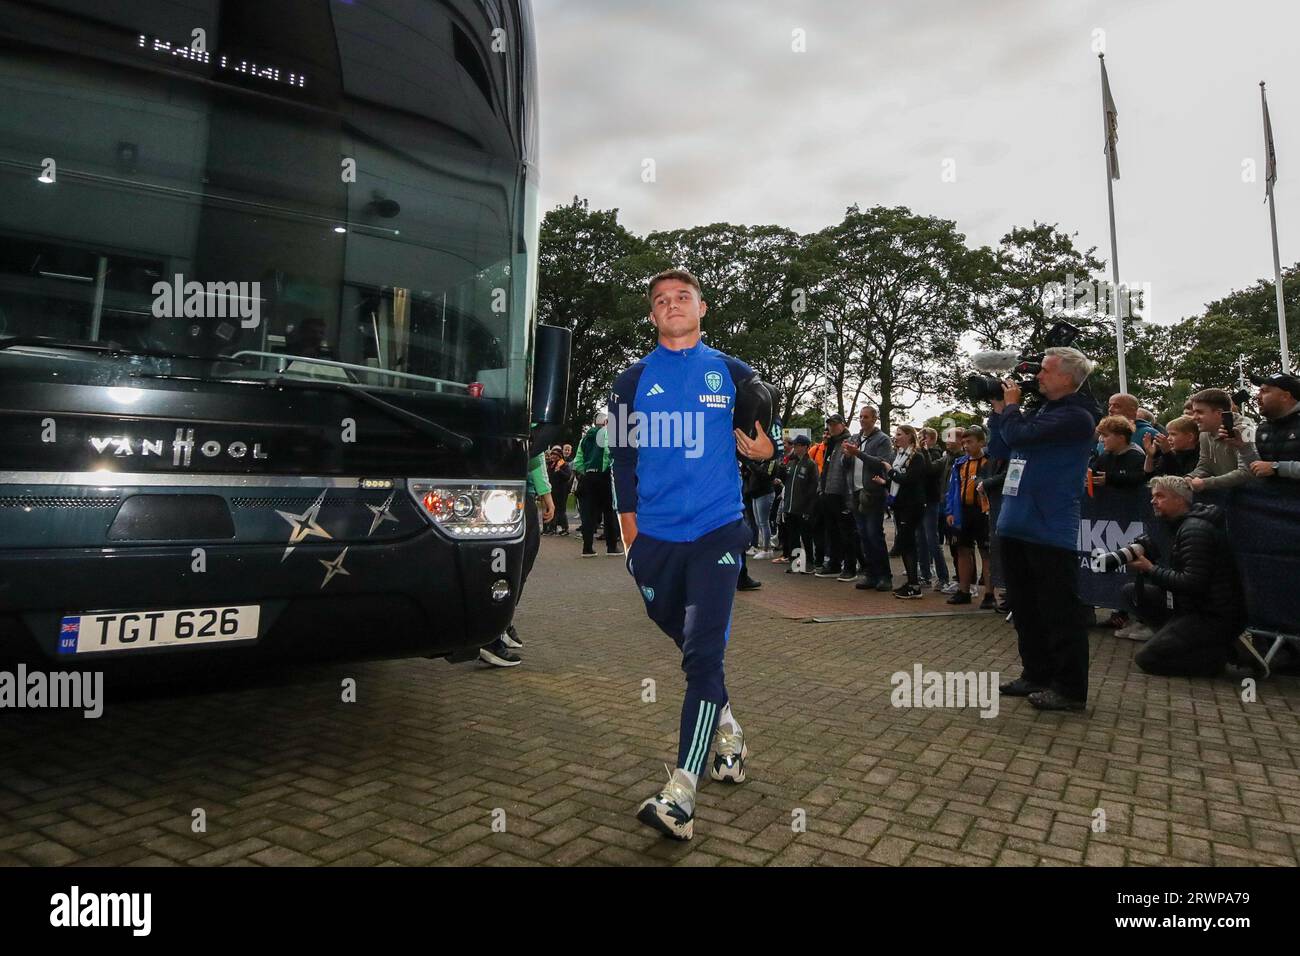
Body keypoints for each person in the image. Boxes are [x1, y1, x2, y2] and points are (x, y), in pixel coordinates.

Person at [609, 268, 775, 841]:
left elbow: (761, 435)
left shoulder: (733, 373)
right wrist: (630, 534)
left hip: (717, 533)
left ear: (702, 307)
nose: (673, 305)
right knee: (678, 632)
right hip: (653, 539)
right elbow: (623, 463)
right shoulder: (629, 382)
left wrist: (766, 448)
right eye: (661, 300)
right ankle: (727, 728)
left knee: (701, 654)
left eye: (683, 297)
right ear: (652, 316)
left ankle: (681, 791)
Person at [987, 347, 1102, 712]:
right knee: (1025, 608)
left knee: (1059, 611)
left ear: (1067, 378)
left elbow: (1019, 435)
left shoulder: (1078, 416)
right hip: (1016, 522)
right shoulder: (1044, 411)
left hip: (1049, 527)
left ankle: (1069, 688)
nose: (1037, 376)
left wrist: (1010, 408)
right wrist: (998, 412)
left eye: (1046, 371)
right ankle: (1035, 673)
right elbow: (1002, 445)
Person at [1120, 477, 1245, 674]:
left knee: (1147, 659)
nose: (1153, 501)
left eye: (1160, 496)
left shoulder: (1194, 530)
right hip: (1193, 605)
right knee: (1133, 591)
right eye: (1153, 497)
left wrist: (1150, 569)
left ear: (1180, 500)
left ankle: (1217, 656)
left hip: (1213, 615)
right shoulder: (1180, 525)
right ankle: (1179, 639)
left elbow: (1192, 582)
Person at [479, 452, 555, 667]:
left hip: (494, 492)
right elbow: (534, 456)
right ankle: (492, 635)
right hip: (516, 494)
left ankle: (501, 626)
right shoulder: (528, 421)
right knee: (516, 568)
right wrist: (546, 493)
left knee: (503, 566)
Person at [843, 406, 894, 591]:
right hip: (856, 491)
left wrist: (859, 454)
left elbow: (883, 463)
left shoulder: (883, 440)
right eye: (860, 417)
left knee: (874, 534)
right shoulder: (855, 438)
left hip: (872, 493)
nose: (862, 420)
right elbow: (846, 465)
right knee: (863, 535)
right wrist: (847, 456)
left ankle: (884, 575)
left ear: (874, 419)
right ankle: (871, 573)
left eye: (866, 417)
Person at [943, 426, 993, 607]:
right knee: (963, 550)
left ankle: (989, 594)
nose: (965, 446)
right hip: (962, 511)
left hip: (983, 512)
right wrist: (950, 512)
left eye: (969, 442)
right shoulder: (960, 463)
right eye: (963, 442)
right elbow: (952, 490)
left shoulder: (990, 462)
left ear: (981, 442)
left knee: (986, 552)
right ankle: (963, 591)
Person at [878, 425, 929, 599]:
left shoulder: (917, 457)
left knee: (908, 543)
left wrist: (890, 471)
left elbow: (908, 480)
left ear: (909, 436)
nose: (896, 437)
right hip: (901, 505)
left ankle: (914, 585)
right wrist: (884, 482)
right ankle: (911, 582)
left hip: (911, 506)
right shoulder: (899, 456)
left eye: (899, 435)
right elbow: (897, 484)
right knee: (906, 543)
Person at [813, 413, 859, 581]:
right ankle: (834, 563)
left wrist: (847, 456)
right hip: (828, 492)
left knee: (846, 532)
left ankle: (850, 567)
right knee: (832, 532)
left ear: (843, 424)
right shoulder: (831, 443)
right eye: (830, 425)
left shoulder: (849, 441)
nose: (832, 428)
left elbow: (849, 464)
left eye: (835, 424)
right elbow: (825, 468)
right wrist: (821, 488)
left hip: (841, 493)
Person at [573, 411, 623, 556]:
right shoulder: (607, 434)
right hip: (603, 476)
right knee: (609, 511)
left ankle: (587, 548)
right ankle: (611, 546)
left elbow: (577, 462)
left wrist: (587, 471)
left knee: (588, 513)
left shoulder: (585, 438)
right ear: (606, 423)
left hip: (588, 476)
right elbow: (610, 453)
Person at [1186, 388, 1254, 492]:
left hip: (1252, 496)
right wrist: (1189, 478)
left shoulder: (1244, 431)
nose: (1194, 417)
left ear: (1219, 413)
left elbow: (1246, 472)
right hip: (1227, 494)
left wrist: (1206, 483)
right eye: (1194, 412)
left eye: (1199, 412)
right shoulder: (1204, 433)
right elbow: (1205, 466)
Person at [1240, 371, 1300, 481]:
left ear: (1285, 396)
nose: (1257, 397)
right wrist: (1243, 447)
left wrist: (1277, 468)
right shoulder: (1263, 428)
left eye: (1264, 391)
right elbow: (1258, 470)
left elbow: (1270, 468)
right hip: (1270, 495)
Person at [915, 427, 951, 592]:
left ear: (929, 439)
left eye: (921, 437)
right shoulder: (921, 453)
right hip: (921, 500)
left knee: (932, 539)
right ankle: (925, 574)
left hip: (930, 500)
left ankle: (943, 577)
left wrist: (924, 451)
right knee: (921, 538)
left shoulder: (936, 454)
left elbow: (930, 471)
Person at [777, 435, 818, 571]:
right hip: (790, 506)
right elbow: (785, 481)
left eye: (798, 445)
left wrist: (808, 508)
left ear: (805, 447)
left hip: (803, 508)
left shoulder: (810, 465)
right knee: (793, 537)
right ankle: (795, 563)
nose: (795, 447)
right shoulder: (791, 463)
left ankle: (810, 563)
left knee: (806, 537)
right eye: (795, 445)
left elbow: (813, 488)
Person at [1090, 415, 1149, 489]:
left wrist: (1111, 479)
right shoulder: (1105, 456)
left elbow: (1139, 479)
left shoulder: (1136, 457)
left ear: (1121, 438)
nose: (1101, 440)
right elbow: (1093, 471)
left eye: (1105, 436)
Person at [543, 448, 573, 535]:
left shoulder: (564, 465)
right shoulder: (551, 465)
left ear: (559, 456)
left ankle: (565, 528)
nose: (552, 456)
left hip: (561, 491)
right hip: (553, 490)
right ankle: (552, 528)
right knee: (552, 509)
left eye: (554, 455)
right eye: (552, 454)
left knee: (561, 510)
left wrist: (559, 471)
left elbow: (567, 476)